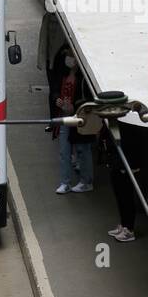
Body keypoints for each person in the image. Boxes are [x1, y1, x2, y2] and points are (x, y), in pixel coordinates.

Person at [54, 53, 95, 193]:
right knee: (64, 151)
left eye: (72, 56)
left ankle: (86, 181)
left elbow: (90, 100)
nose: (70, 59)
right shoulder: (62, 76)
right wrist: (57, 100)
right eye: (68, 55)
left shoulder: (84, 79)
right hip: (65, 117)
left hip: (80, 119)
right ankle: (65, 182)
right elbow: (55, 91)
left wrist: (75, 107)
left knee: (83, 150)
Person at [102, 125, 137, 242]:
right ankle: (124, 224)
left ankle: (129, 229)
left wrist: (131, 164)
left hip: (127, 159)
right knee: (119, 194)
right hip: (116, 158)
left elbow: (133, 142)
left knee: (126, 196)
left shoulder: (131, 122)